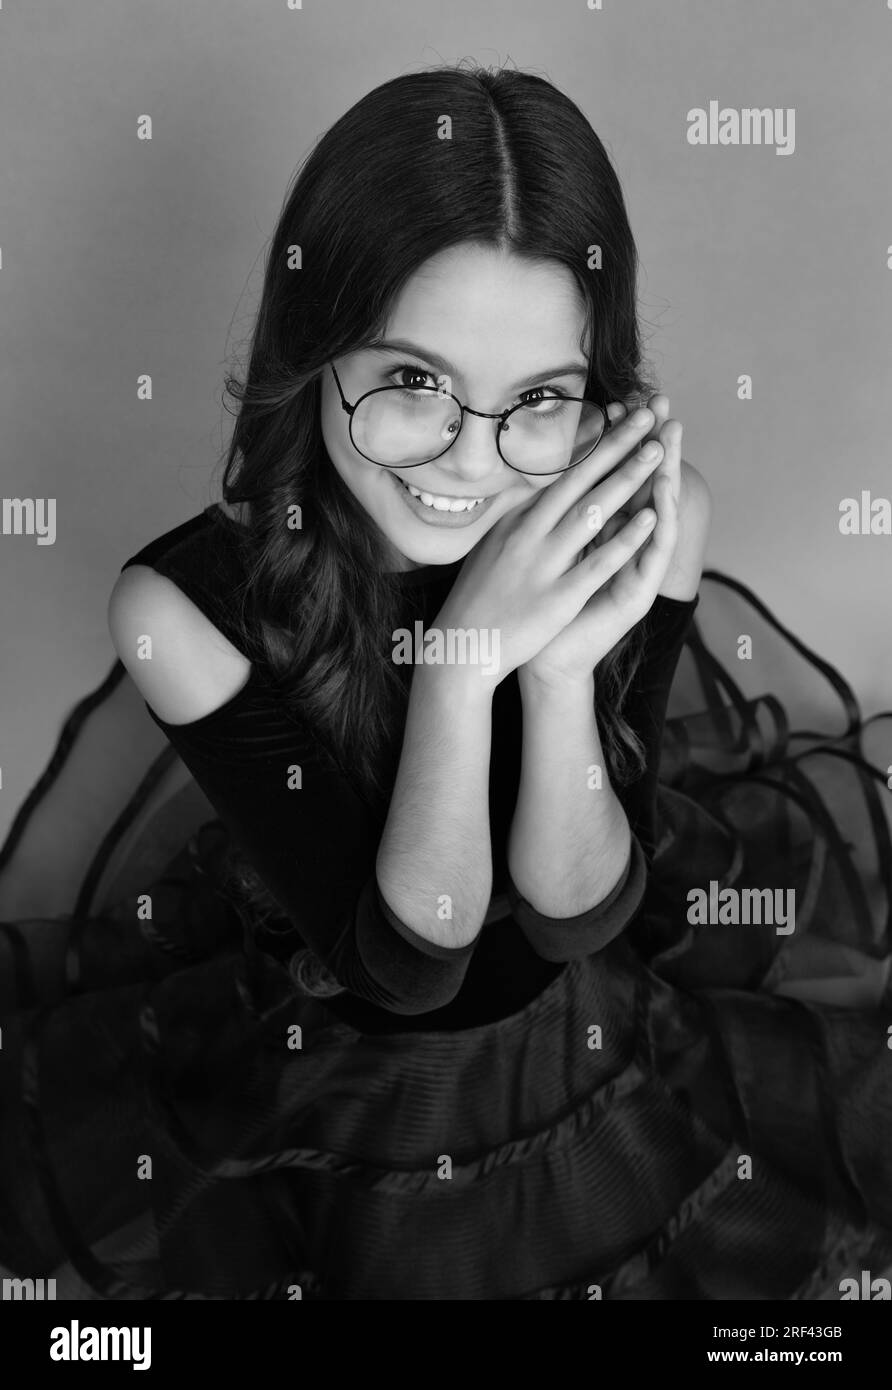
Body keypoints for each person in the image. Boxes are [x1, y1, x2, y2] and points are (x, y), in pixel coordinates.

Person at [1, 63, 890, 1301]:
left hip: (582, 1030)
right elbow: (407, 969)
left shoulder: (651, 520)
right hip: (344, 1054)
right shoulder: (181, 609)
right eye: (413, 382)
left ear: (596, 397)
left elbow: (585, 916)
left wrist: (565, 666)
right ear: (313, 353)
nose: (469, 466)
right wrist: (464, 664)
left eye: (537, 401)